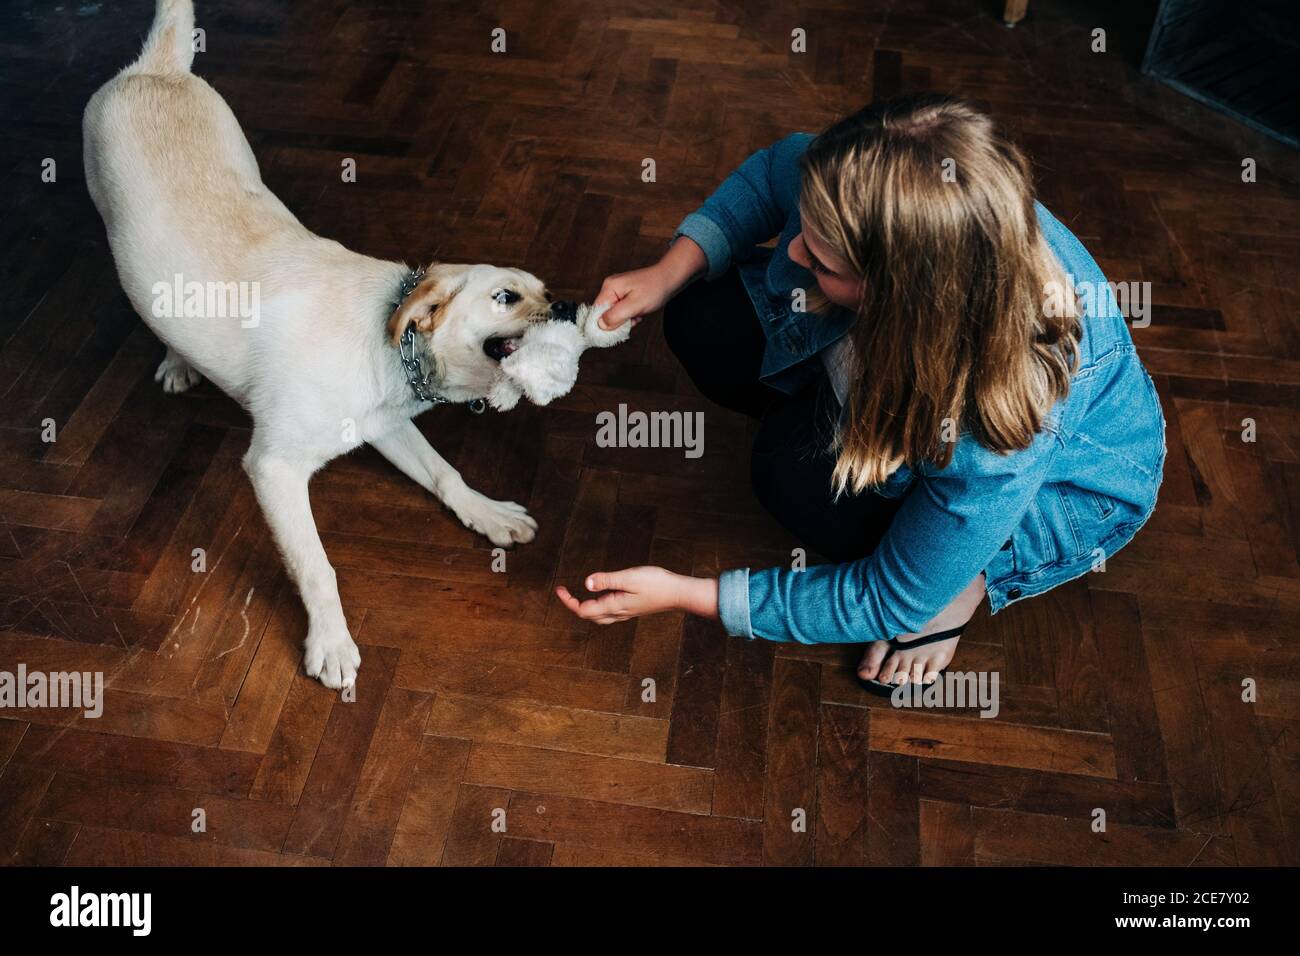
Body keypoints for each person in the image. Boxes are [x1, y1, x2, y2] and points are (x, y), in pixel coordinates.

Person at [555, 94, 1166, 690]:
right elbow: (773, 174)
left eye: (820, 261)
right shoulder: (861, 186)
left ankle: (962, 578)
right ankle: (862, 459)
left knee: (792, 476)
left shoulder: (998, 423)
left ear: (899, 296)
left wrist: (688, 596)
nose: (791, 251)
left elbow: (884, 596)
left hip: (1051, 488)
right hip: (903, 370)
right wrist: (667, 272)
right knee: (698, 314)